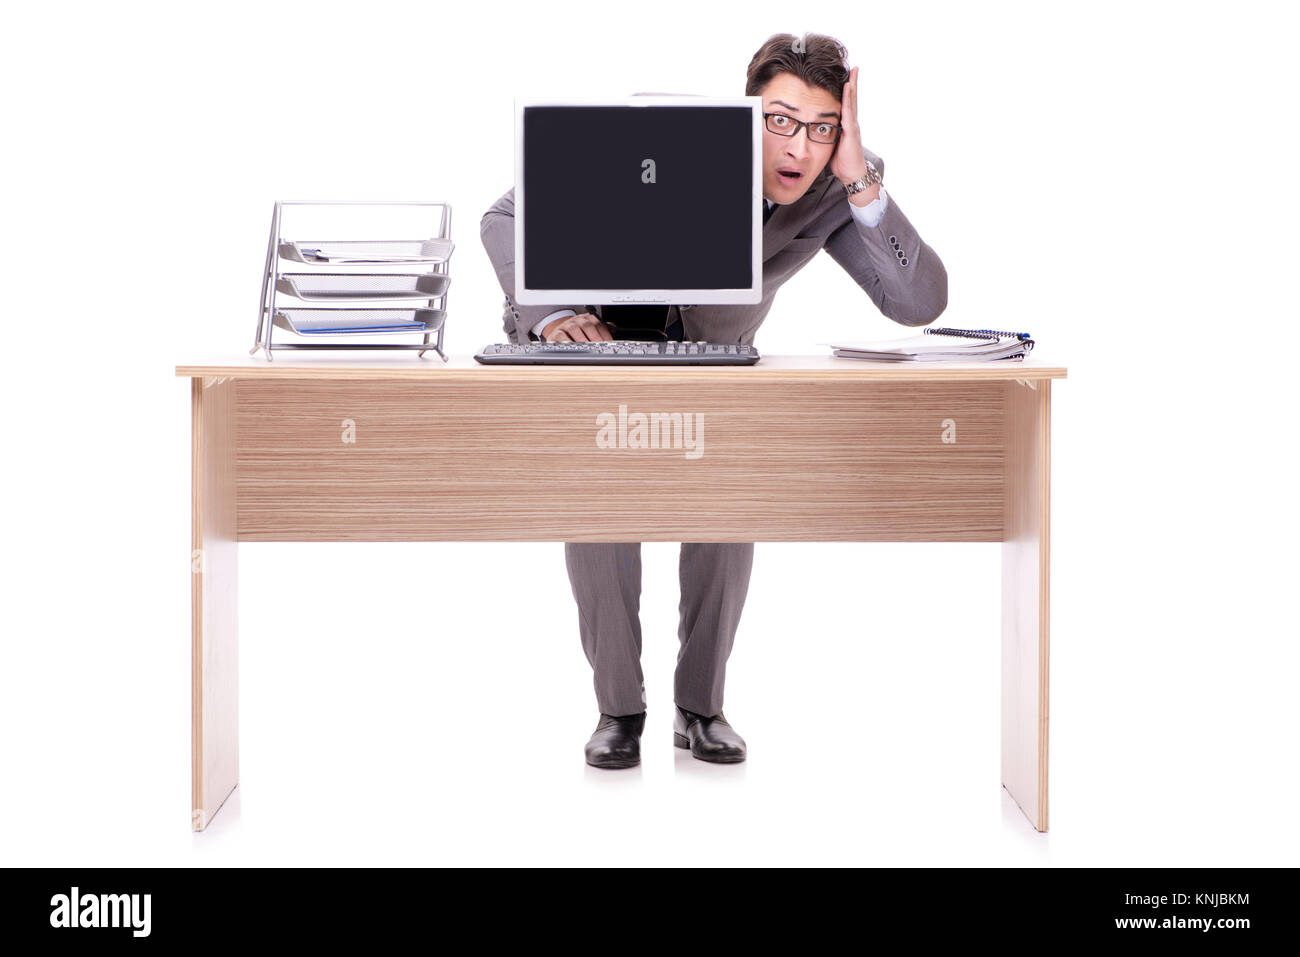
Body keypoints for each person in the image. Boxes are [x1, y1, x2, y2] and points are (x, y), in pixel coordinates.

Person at [479, 32, 947, 769]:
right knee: (600, 512)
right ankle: (618, 709)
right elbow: (504, 218)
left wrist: (858, 178)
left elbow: (916, 299)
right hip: (603, 348)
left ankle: (700, 707)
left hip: (717, 363)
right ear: (749, 112)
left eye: (824, 127)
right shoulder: (674, 145)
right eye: (783, 119)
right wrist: (550, 313)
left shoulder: (834, 186)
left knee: (731, 509)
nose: (801, 145)